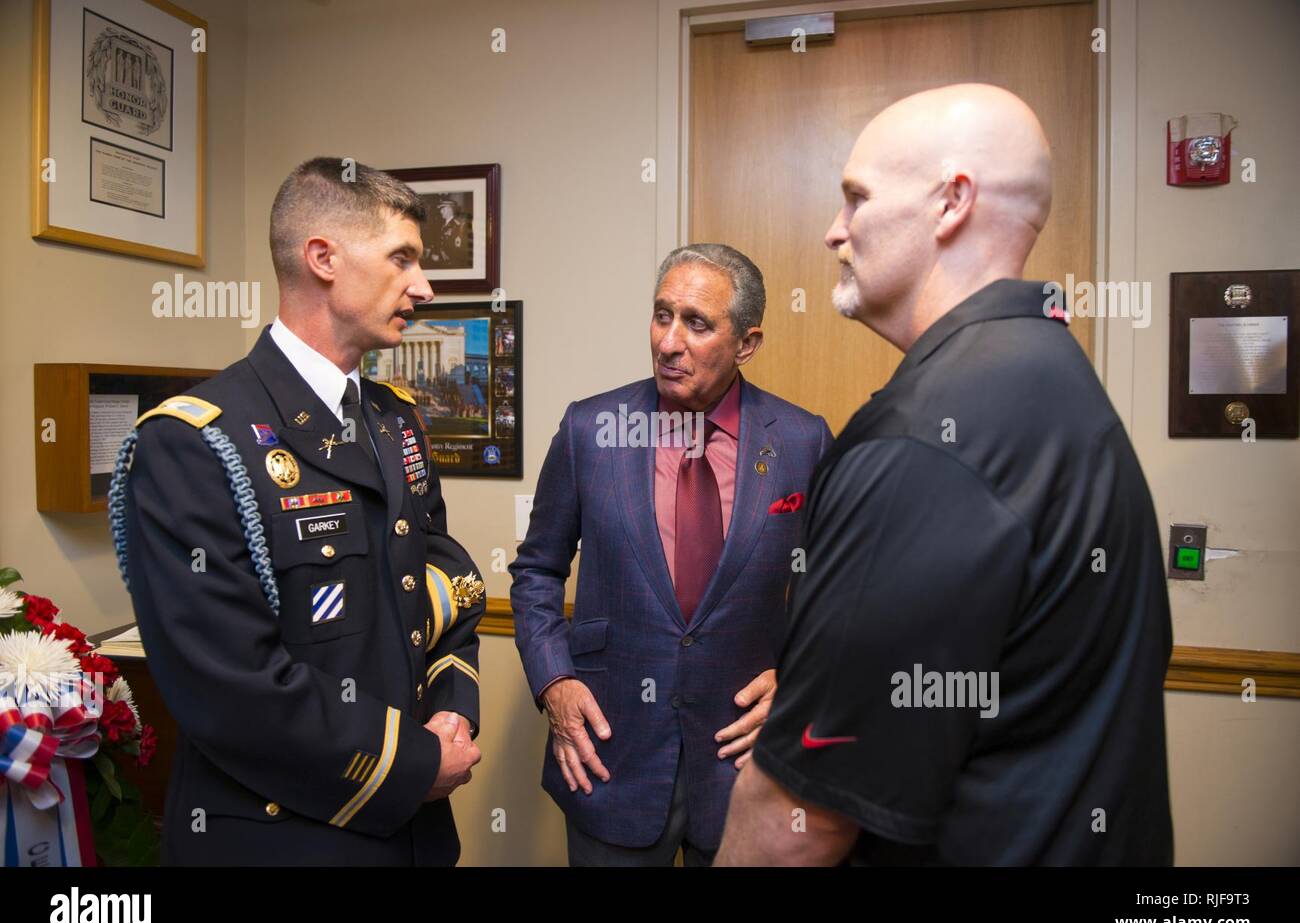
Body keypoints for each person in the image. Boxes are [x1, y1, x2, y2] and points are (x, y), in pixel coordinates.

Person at [717, 84, 1175, 866]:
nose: (835, 231)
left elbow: (800, 822)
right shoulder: (1056, 379)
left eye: (856, 198)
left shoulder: (924, 441)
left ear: (951, 201)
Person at [112, 157, 484, 865]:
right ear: (323, 259)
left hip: (414, 833)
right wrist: (409, 762)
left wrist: (452, 712)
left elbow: (449, 583)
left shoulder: (395, 418)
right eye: (402, 258)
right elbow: (231, 686)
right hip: (282, 838)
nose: (424, 287)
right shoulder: (192, 440)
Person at [510, 243, 833, 866]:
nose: (668, 341)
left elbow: (840, 591)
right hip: (611, 757)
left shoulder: (802, 440)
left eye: (697, 323)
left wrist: (798, 683)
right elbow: (535, 572)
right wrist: (555, 679)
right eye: (662, 315)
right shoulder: (590, 430)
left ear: (747, 342)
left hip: (747, 762)